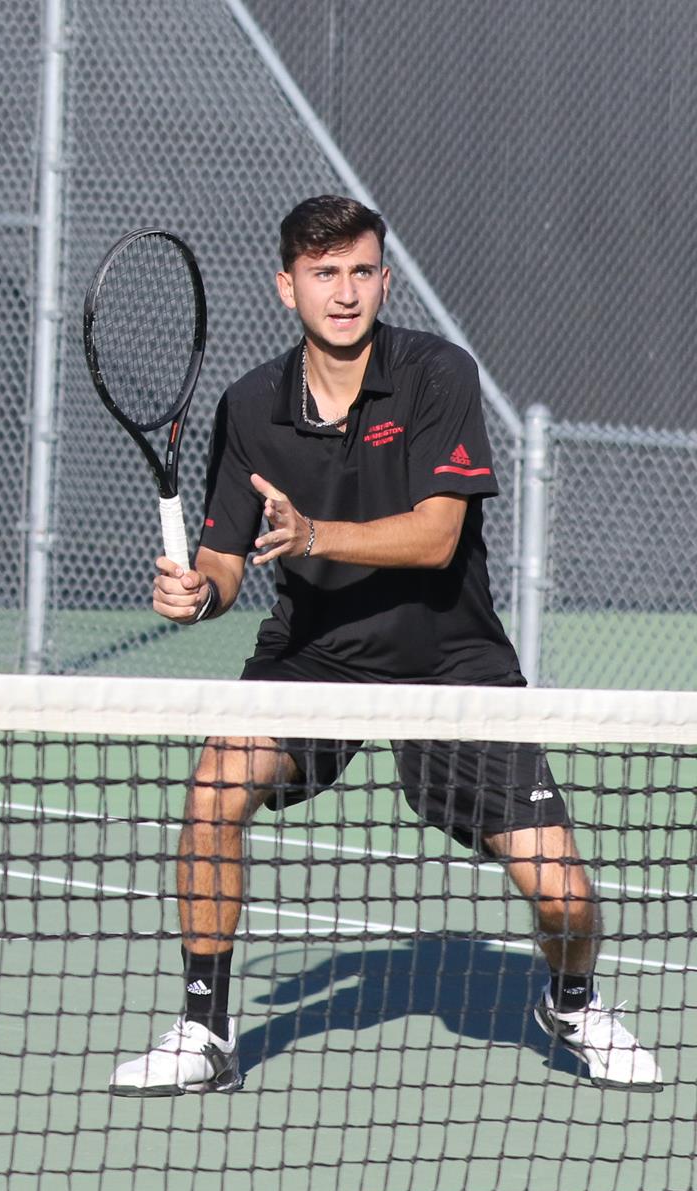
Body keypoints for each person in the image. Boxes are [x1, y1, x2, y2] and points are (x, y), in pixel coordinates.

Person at [108, 194, 660, 1096]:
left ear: (384, 279)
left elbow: (437, 536)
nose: (345, 291)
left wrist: (316, 533)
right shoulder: (251, 405)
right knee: (215, 790)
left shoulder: (439, 373)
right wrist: (198, 591)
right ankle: (205, 1030)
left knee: (564, 894)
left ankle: (569, 999)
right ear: (286, 286)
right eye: (324, 273)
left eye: (362, 270)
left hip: (451, 660)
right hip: (313, 655)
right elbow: (224, 558)